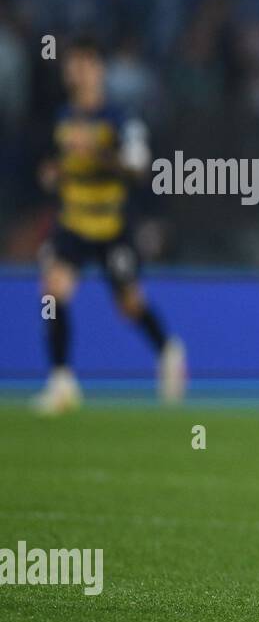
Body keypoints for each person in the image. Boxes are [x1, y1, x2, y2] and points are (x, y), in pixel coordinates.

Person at [32, 37, 185, 415]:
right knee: (53, 293)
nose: (77, 70)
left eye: (85, 62)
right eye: (73, 63)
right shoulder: (63, 116)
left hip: (112, 226)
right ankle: (62, 380)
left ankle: (167, 349)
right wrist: (53, 174)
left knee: (129, 304)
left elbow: (138, 166)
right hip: (72, 223)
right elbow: (56, 165)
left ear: (99, 70)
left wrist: (98, 153)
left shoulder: (120, 118)